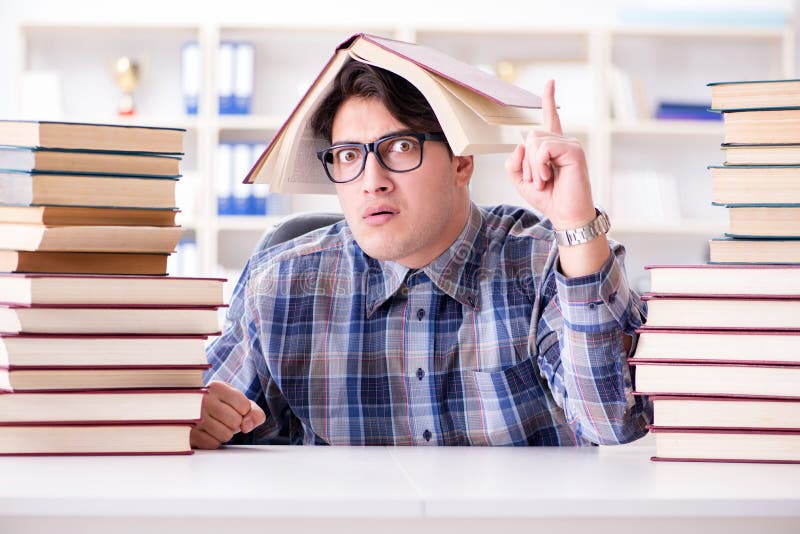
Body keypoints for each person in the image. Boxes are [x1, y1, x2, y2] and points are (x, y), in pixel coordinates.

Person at [192, 60, 651, 448]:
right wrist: (196, 417)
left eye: (400, 147)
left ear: (461, 162)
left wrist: (574, 225)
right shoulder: (281, 284)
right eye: (349, 156)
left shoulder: (543, 263)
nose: (372, 180)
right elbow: (213, 417)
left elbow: (611, 421)